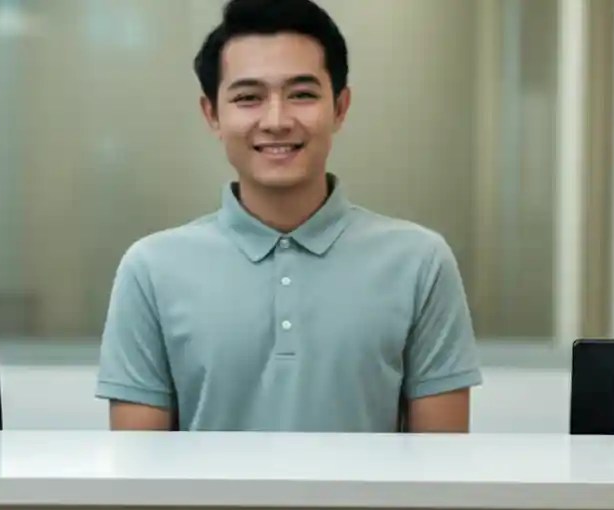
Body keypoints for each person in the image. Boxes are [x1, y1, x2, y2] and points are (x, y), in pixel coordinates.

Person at [95, 0, 482, 432]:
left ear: (340, 107)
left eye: (301, 94)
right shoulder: (151, 268)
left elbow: (442, 472)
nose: (276, 120)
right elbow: (138, 476)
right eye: (248, 98)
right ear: (212, 114)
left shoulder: (419, 262)